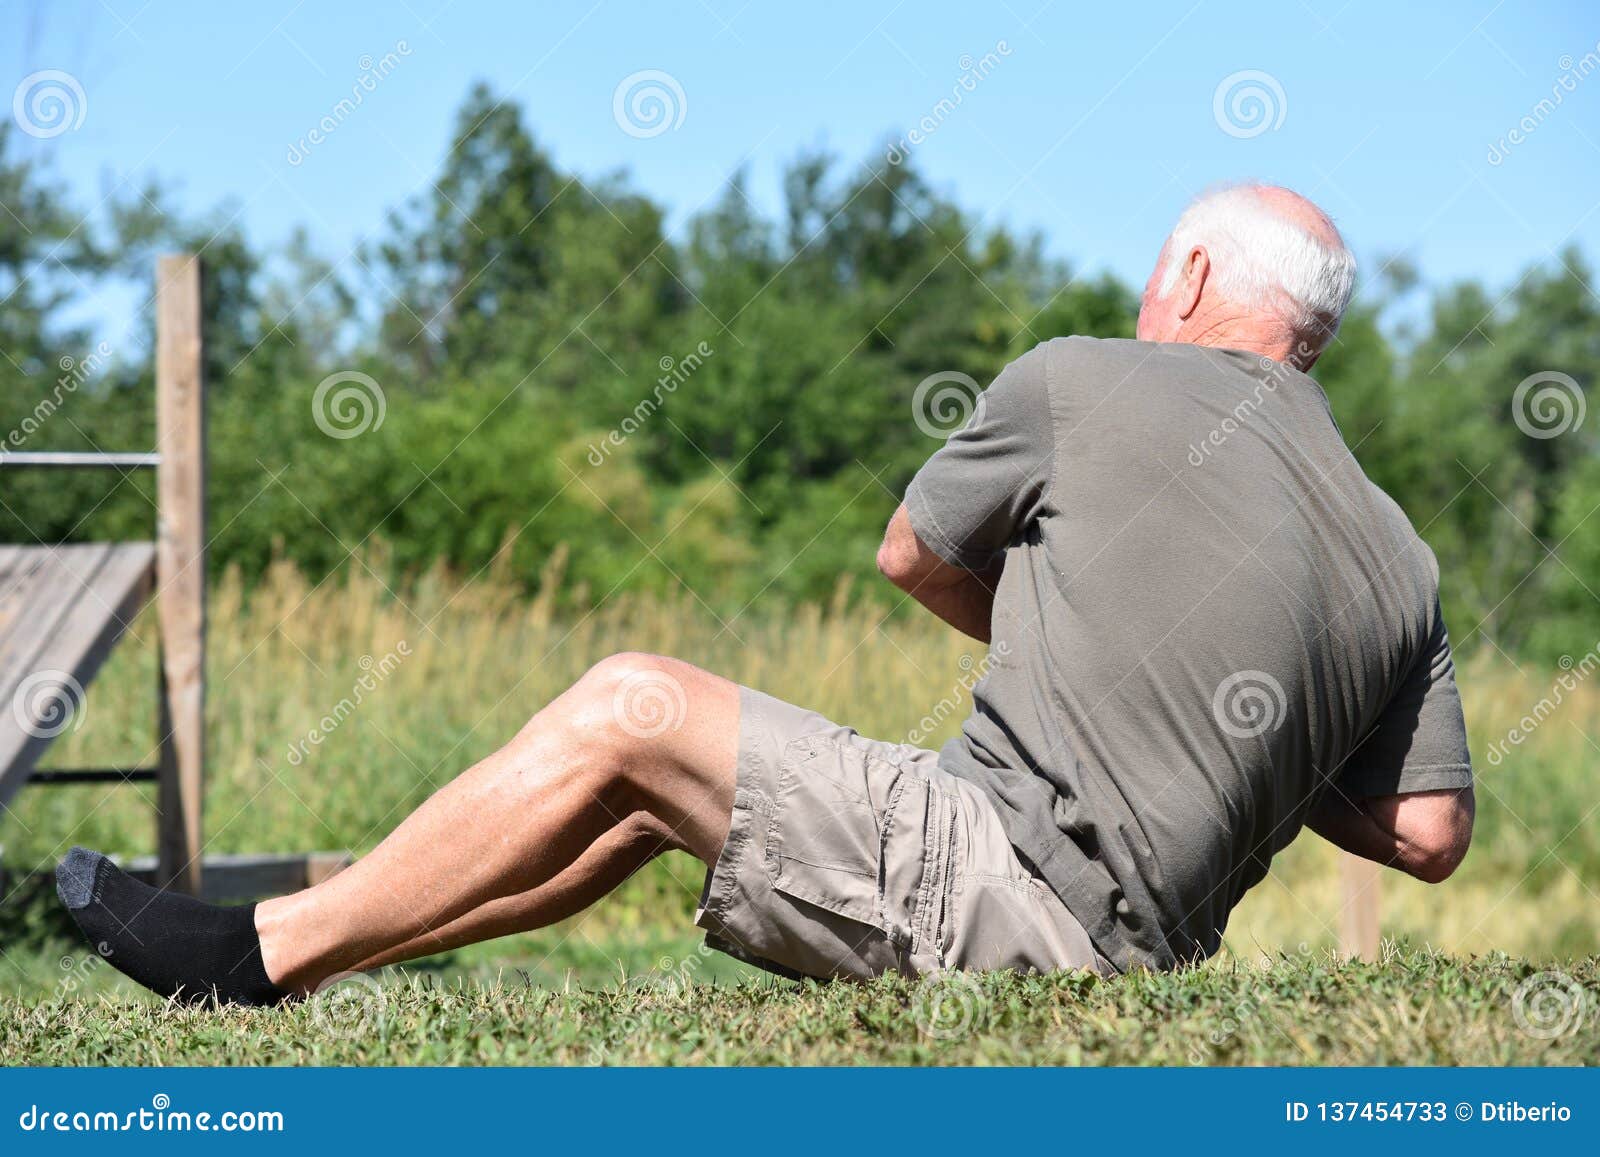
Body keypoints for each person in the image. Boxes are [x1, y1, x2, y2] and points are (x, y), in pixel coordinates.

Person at [57, 182, 1474, 1005]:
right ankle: (297, 970)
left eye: (1162, 267)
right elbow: (1425, 833)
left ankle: (243, 949)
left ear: (1197, 271)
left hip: (1000, 885)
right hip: (1132, 963)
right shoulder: (1398, 549)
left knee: (630, 702)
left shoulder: (1084, 376)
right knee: (638, 792)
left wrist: (1073, 639)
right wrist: (1255, 749)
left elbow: (910, 556)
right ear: (1314, 333)